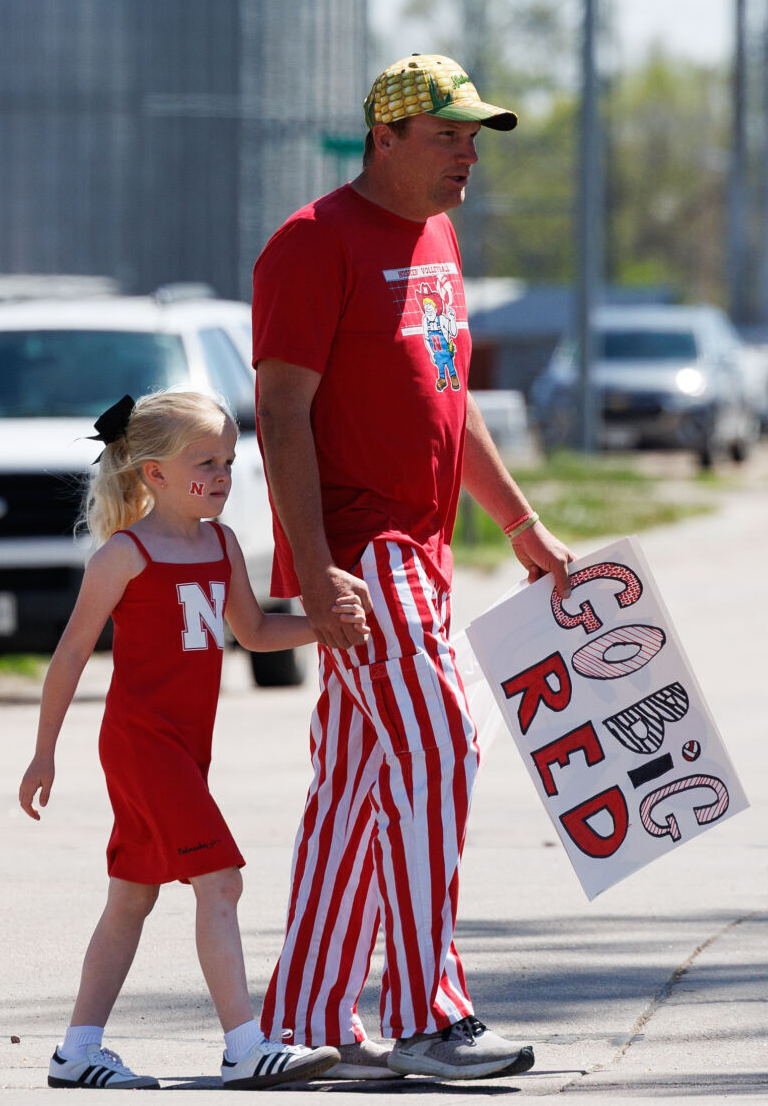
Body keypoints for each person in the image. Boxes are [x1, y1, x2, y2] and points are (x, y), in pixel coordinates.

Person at [251, 54, 576, 1081]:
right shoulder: (309, 245)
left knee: (358, 782)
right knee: (439, 746)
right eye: (447, 136)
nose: (467, 156)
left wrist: (517, 524)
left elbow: (450, 397)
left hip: (425, 554)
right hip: (360, 554)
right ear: (381, 139)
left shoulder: (435, 237)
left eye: (473, 137)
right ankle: (428, 1017)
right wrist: (312, 571)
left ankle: (304, 1021)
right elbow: (278, 414)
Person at [18, 388, 363, 1091]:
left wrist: (329, 624)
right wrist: (43, 753)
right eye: (206, 460)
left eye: (230, 460)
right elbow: (69, 657)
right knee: (221, 881)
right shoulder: (124, 555)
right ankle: (245, 1045)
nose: (224, 474)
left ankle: (77, 1051)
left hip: (185, 748)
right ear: (154, 474)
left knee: (131, 899)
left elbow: (257, 633)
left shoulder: (222, 544)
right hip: (141, 745)